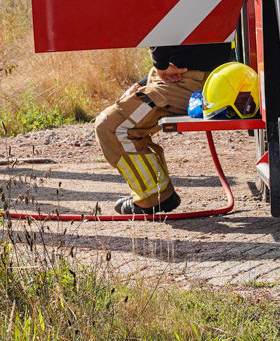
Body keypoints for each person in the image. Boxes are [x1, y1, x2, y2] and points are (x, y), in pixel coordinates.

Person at [94, 42, 236, 215]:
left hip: (191, 82)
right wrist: (142, 83)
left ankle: (154, 198)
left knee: (111, 126)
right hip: (181, 79)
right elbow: (184, 53)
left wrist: (160, 63)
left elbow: (161, 28)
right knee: (123, 120)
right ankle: (154, 193)